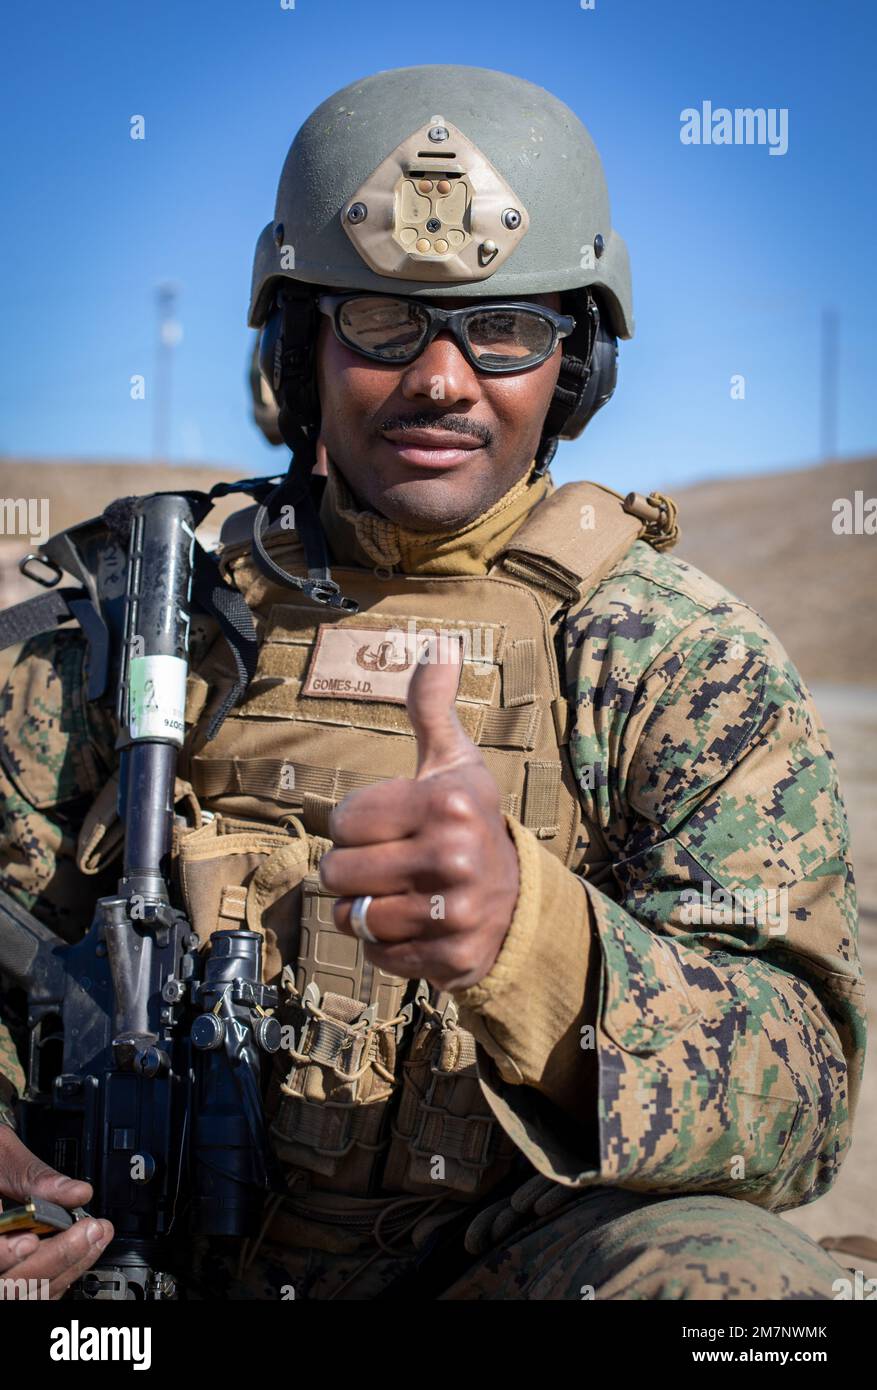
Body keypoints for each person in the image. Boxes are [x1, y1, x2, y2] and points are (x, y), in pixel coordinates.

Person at [0, 64, 865, 1301]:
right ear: (300, 347)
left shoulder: (675, 662)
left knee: (742, 1293)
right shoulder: (134, 620)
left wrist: (540, 945)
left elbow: (803, 1110)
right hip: (131, 1271)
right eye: (380, 323)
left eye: (504, 328)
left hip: (495, 1269)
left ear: (572, 367)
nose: (442, 379)